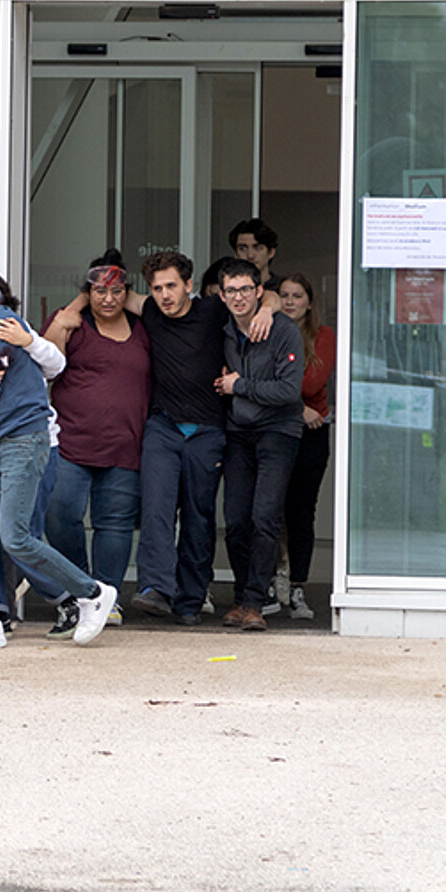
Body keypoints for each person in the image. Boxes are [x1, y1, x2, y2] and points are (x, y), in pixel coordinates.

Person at [0, 260, 117, 649]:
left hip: (23, 441)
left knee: (16, 537)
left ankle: (93, 594)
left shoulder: (1, 328)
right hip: (0, 442)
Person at [121, 250, 273, 625]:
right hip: (163, 426)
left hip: (207, 430)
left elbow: (260, 295)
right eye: (157, 288)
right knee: (156, 507)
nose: (164, 295)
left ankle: (189, 600)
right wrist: (73, 307)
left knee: (198, 516)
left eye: (172, 286)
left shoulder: (212, 311)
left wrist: (268, 308)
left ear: (189, 285)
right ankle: (155, 588)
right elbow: (112, 292)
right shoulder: (153, 312)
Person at [40, 250, 150, 636]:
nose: (108, 298)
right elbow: (45, 362)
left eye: (117, 291)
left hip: (125, 444)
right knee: (60, 513)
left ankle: (110, 597)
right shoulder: (72, 323)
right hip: (71, 441)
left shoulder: (144, 326)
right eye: (99, 292)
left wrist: (119, 295)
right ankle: (80, 592)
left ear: (127, 292)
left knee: (115, 525)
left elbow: (159, 305)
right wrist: (71, 311)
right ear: (87, 293)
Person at [215, 259, 306, 630]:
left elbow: (288, 390)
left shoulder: (283, 330)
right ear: (221, 295)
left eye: (245, 290)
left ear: (258, 292)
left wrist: (239, 386)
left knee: (264, 518)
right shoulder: (220, 331)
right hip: (238, 433)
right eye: (231, 290)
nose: (238, 297)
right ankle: (241, 598)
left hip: (278, 432)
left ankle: (255, 602)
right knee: (235, 520)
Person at [275, 271, 335, 622]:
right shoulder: (266, 332)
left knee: (300, 512)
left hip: (312, 434)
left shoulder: (323, 335)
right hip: (277, 427)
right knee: (267, 511)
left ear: (309, 302)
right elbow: (261, 380)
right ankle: (269, 582)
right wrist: (297, 407)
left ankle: (298, 586)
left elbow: (313, 380)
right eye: (284, 295)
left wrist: (283, 392)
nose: (290, 302)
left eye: (298, 296)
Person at [229, 217, 279, 286]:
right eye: (243, 249)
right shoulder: (228, 288)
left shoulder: (284, 289)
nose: (250, 255)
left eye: (257, 248)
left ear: (271, 252)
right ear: (235, 254)